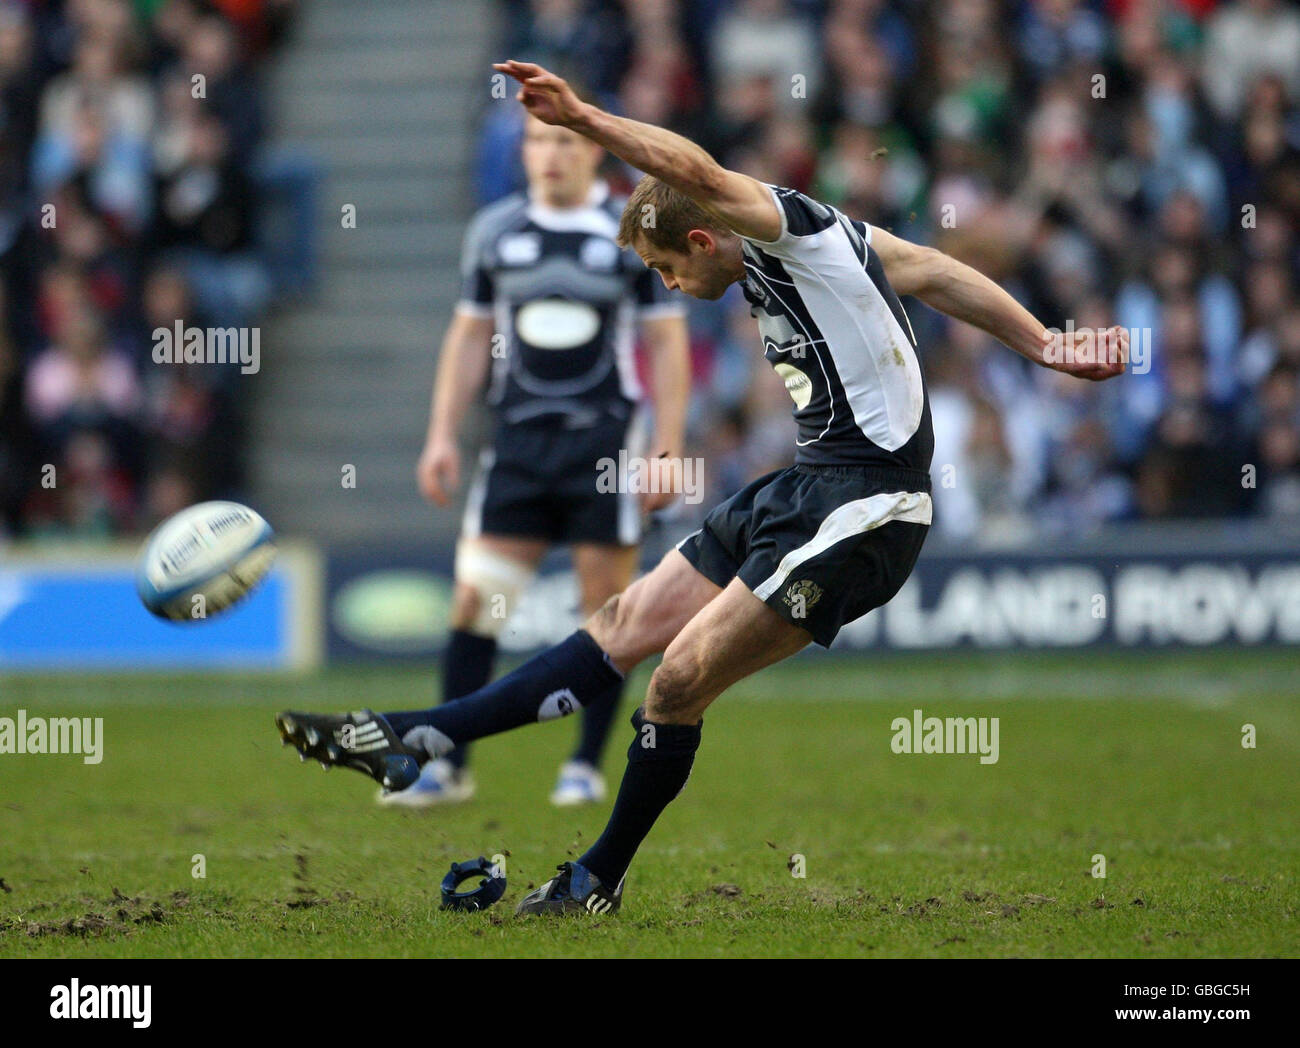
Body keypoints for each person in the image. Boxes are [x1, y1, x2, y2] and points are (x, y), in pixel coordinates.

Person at [276, 61, 1126, 915]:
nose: (669, 288)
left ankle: (593, 881)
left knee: (675, 682)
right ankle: (417, 735)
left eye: (663, 270)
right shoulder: (828, 249)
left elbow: (699, 175)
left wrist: (585, 118)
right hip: (801, 485)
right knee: (623, 625)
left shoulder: (782, 228)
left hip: (869, 507)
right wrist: (1044, 342)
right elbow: (934, 270)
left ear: (699, 241)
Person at [389, 110, 690, 808]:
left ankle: (583, 765)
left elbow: (667, 343)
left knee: (608, 612)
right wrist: (440, 433)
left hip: (604, 445)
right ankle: (447, 761)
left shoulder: (628, 231)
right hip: (518, 445)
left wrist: (668, 446)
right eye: (536, 140)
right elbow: (469, 339)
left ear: (594, 152)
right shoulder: (496, 232)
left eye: (563, 140)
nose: (548, 153)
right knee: (476, 603)